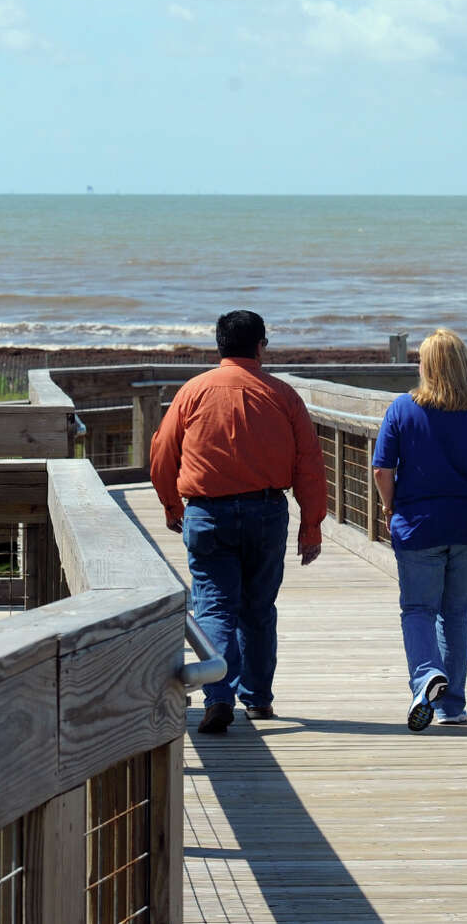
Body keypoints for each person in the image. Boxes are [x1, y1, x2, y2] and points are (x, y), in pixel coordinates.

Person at [150, 310, 328, 734]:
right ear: (261, 346)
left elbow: (162, 453)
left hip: (207, 513)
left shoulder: (193, 391)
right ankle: (258, 698)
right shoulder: (283, 395)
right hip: (266, 511)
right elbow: (309, 464)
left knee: (214, 606)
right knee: (258, 609)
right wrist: (311, 526)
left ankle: (218, 696)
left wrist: (172, 505)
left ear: (219, 345)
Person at [371, 328, 467, 731]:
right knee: (455, 614)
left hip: (417, 528)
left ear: (427, 367)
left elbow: (382, 470)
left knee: (418, 609)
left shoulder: (402, 409)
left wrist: (389, 507)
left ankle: (426, 675)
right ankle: (452, 707)